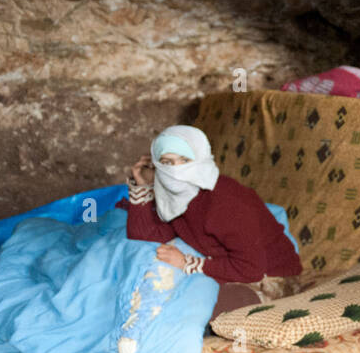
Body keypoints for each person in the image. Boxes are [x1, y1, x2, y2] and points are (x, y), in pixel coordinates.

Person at [116, 125, 303, 316]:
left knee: (192, 307)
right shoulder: (174, 198)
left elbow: (251, 270)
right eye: (167, 162)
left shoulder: (224, 202)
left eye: (185, 160)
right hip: (226, 271)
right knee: (156, 299)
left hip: (271, 279)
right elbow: (144, 234)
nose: (176, 171)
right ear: (156, 165)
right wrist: (141, 185)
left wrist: (187, 263)